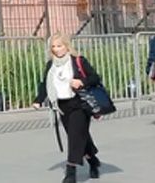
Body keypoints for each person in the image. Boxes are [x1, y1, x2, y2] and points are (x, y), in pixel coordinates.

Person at [33, 33, 104, 182]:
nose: (56, 49)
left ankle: (70, 172)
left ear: (66, 46)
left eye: (59, 46)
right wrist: (38, 100)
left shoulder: (78, 61)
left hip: (79, 104)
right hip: (62, 106)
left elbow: (95, 77)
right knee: (80, 136)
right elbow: (45, 84)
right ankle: (92, 161)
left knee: (74, 137)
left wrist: (81, 82)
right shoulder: (51, 65)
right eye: (53, 46)